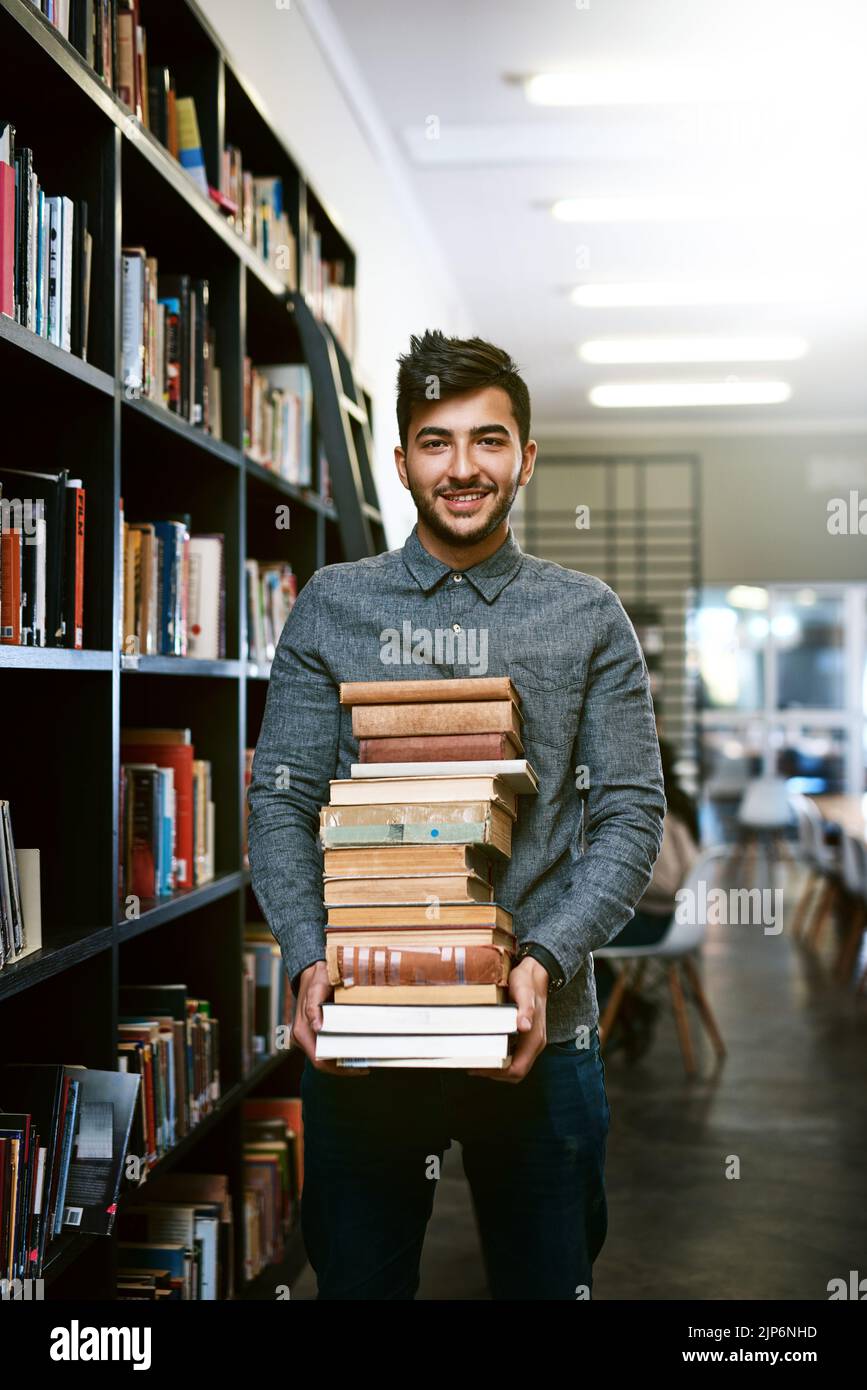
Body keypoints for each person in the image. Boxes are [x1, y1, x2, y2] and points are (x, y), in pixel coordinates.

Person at [247, 329, 666, 1300]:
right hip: (365, 1026)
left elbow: (632, 817)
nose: (463, 466)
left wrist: (542, 961)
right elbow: (281, 799)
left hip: (541, 1024)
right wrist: (307, 954)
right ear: (400, 462)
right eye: (436, 441)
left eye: (488, 439)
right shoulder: (331, 606)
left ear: (526, 456)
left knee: (550, 1282)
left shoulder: (589, 615)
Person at [594, 740, 700, 1056]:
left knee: (582, 938)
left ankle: (627, 1008)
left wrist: (619, 873)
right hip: (677, 917)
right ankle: (629, 1006)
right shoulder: (681, 804)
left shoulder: (658, 813)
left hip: (662, 920)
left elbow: (666, 882)